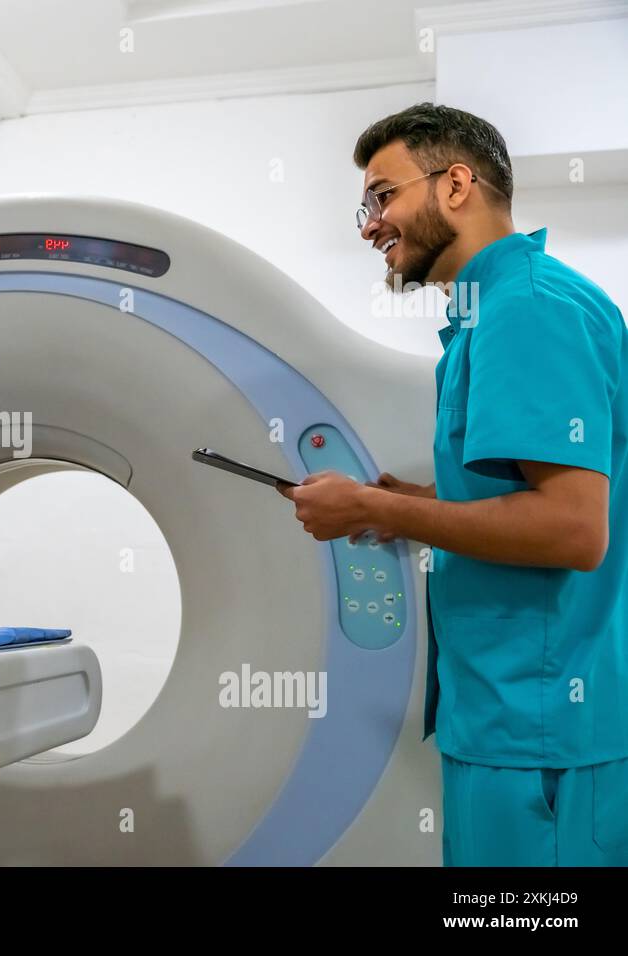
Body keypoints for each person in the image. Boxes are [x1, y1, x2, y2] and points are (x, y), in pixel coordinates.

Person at [278, 104, 628, 865]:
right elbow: (528, 495)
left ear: (457, 184)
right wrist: (411, 505)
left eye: (382, 196)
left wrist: (370, 507)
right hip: (512, 718)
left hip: (541, 734)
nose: (369, 225)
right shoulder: (496, 313)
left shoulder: (526, 311)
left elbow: (574, 528)